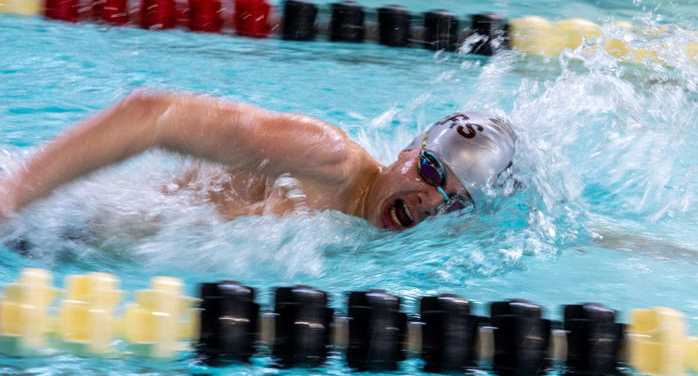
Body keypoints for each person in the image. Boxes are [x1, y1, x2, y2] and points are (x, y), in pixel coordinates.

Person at [0, 91, 517, 231]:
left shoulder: (395, 230)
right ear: (408, 149)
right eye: (429, 171)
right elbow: (150, 115)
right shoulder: (326, 158)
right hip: (59, 224)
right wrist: (16, 194)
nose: (430, 202)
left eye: (451, 201)